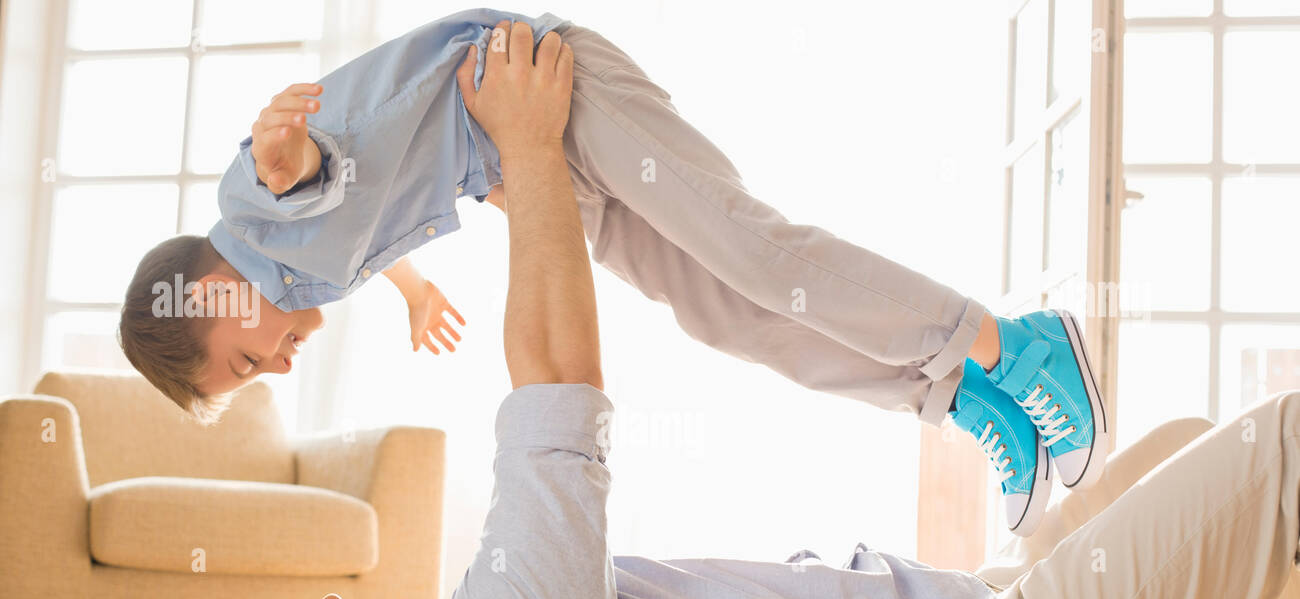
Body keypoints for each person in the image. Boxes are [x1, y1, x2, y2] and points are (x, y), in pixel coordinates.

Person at [197, 26, 1300, 599]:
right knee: (1284, 447)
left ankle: (969, 387)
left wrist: (519, 178)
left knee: (1196, 454)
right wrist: (528, 150)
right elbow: (556, 389)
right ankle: (1001, 351)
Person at [118, 10, 1107, 537]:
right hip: (530, 159)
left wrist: (281, 149)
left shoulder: (256, 202)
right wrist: (414, 289)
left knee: (752, 253)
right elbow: (354, 224)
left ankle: (1014, 345)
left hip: (550, 83)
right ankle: (966, 397)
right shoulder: (301, 279)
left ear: (206, 294)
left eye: (244, 363)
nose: (275, 371)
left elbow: (297, 176)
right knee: (726, 315)